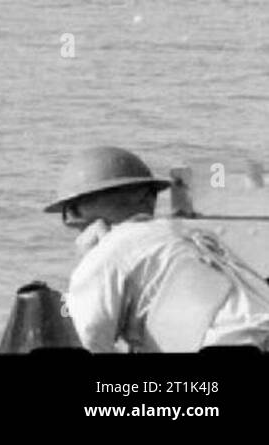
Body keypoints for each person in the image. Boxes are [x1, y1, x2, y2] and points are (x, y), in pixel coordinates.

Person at [46, 146, 269, 352]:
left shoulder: (108, 252)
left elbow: (86, 339)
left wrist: (88, 259)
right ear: (149, 198)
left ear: (75, 212)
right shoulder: (193, 236)